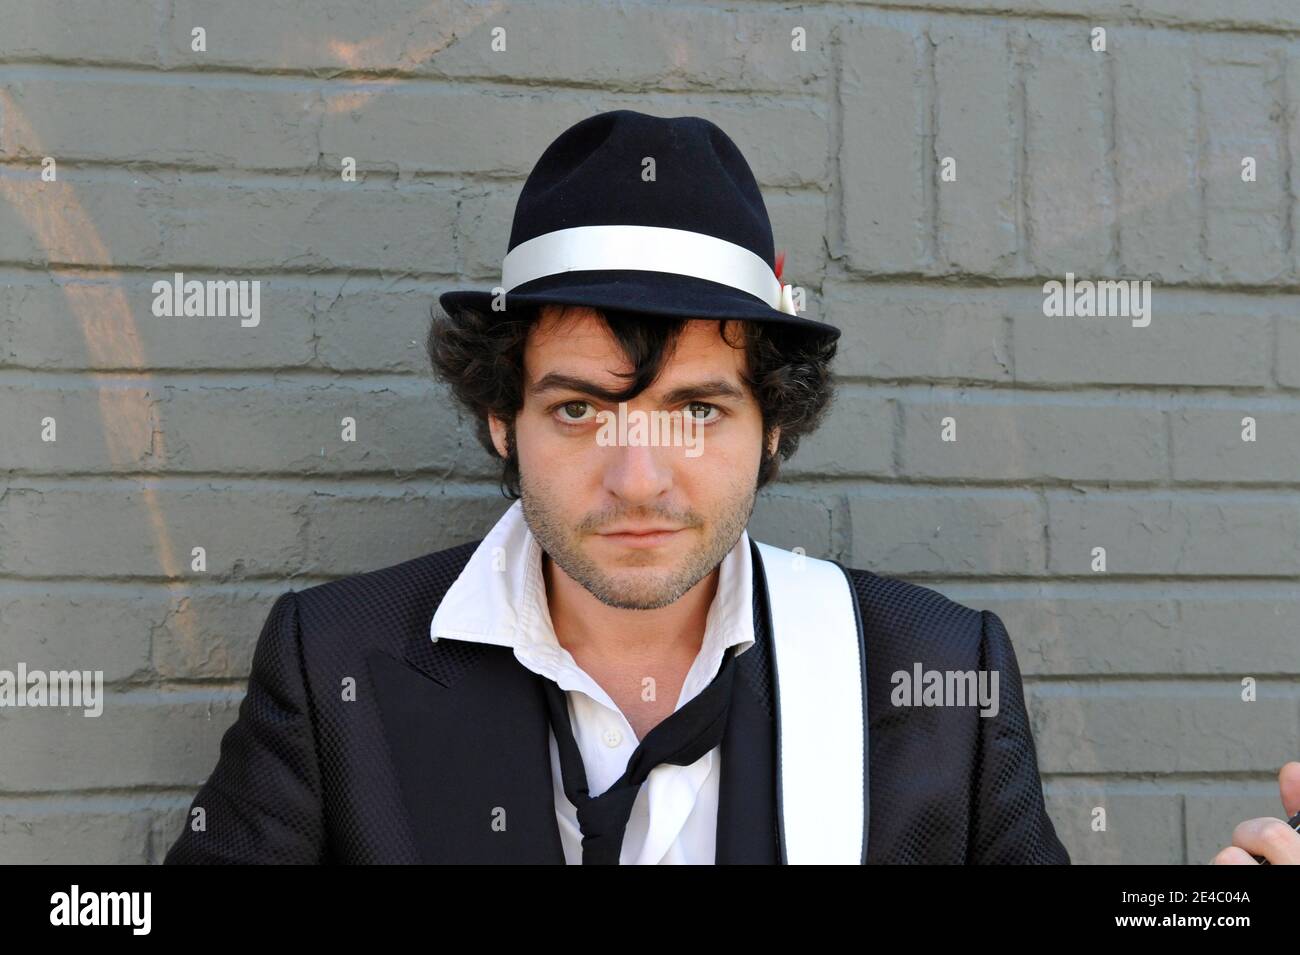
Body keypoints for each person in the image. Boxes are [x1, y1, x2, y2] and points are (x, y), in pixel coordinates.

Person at [162, 109, 1288, 865]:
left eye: (697, 409)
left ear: (775, 429)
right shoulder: (337, 662)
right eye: (581, 409)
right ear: (499, 417)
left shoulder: (936, 676)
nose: (637, 475)